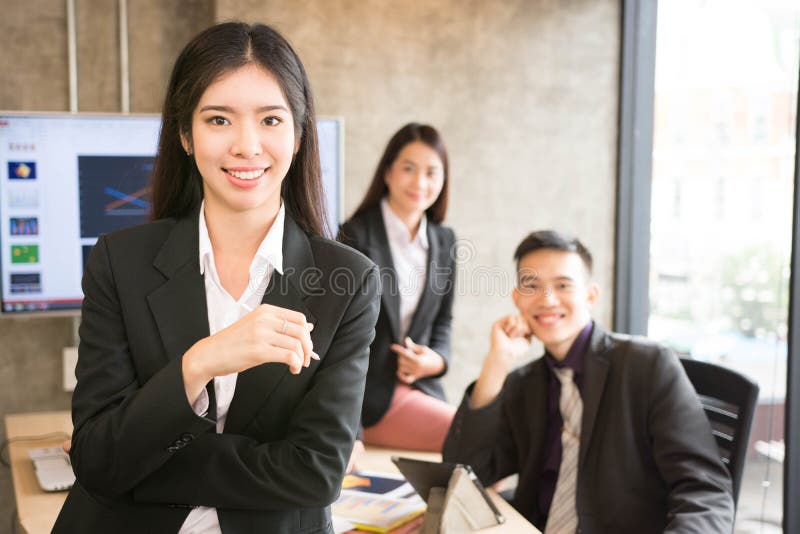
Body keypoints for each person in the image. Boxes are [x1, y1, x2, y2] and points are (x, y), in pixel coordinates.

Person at [53, 22, 380, 534]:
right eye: (219, 119)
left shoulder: (348, 281)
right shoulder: (120, 261)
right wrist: (202, 361)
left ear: (298, 133)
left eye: (271, 119)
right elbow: (97, 456)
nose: (247, 146)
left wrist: (139, 467)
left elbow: (315, 473)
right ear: (185, 134)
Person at [442, 230, 734, 533]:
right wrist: (496, 364)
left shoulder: (646, 365)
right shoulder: (525, 383)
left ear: (591, 295)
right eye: (532, 286)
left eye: (563, 285)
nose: (548, 299)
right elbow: (462, 474)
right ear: (517, 299)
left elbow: (704, 490)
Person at [338, 123, 456, 452]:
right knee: (481, 440)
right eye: (408, 168)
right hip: (368, 401)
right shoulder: (354, 237)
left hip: (421, 388)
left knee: (491, 436)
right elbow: (336, 337)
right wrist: (351, 430)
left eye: (432, 172)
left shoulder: (444, 241)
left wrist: (438, 362)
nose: (420, 182)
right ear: (388, 173)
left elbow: (444, 322)